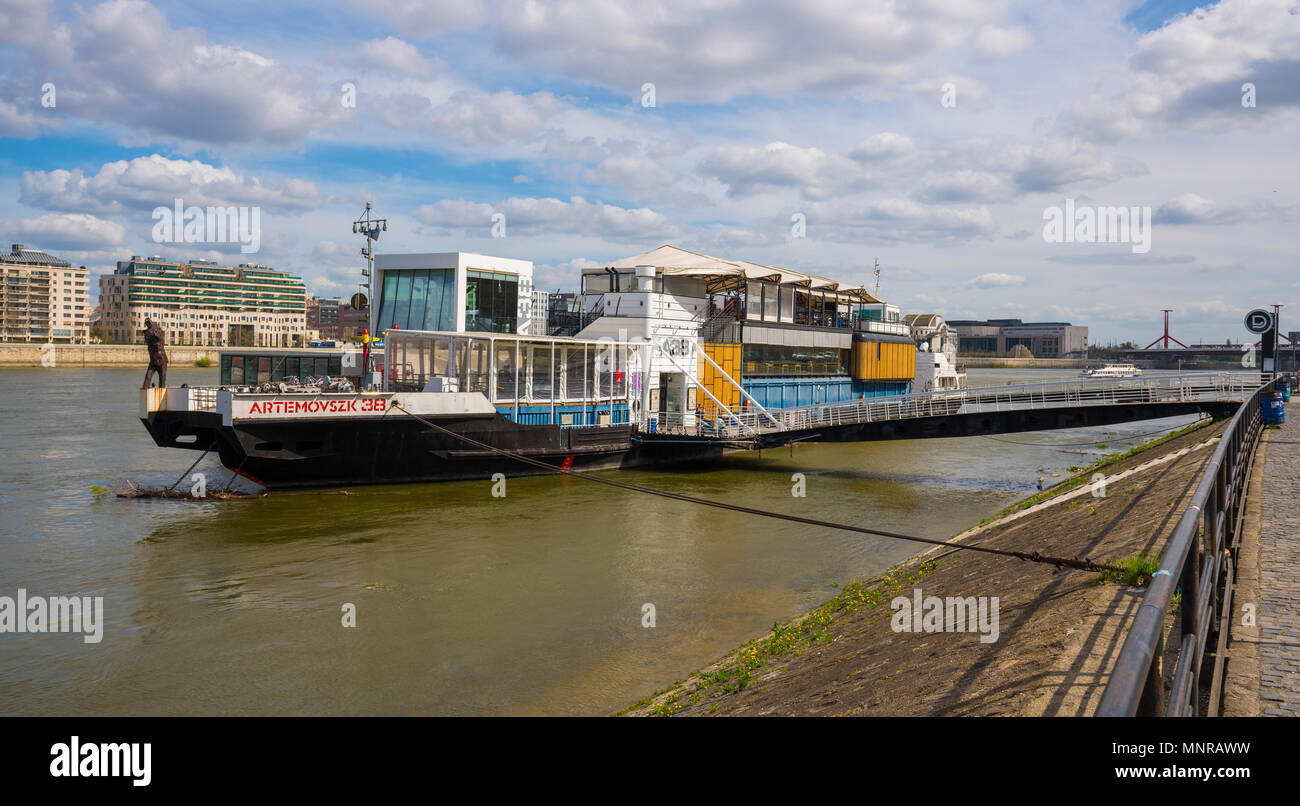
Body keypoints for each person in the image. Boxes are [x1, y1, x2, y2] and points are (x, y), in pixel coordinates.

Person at [141, 317, 168, 389]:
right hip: (153, 361)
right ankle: (144, 390)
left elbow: (159, 338)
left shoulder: (159, 336)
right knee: (148, 376)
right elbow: (148, 339)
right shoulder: (149, 338)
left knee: (162, 378)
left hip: (161, 360)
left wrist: (154, 332)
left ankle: (162, 393)